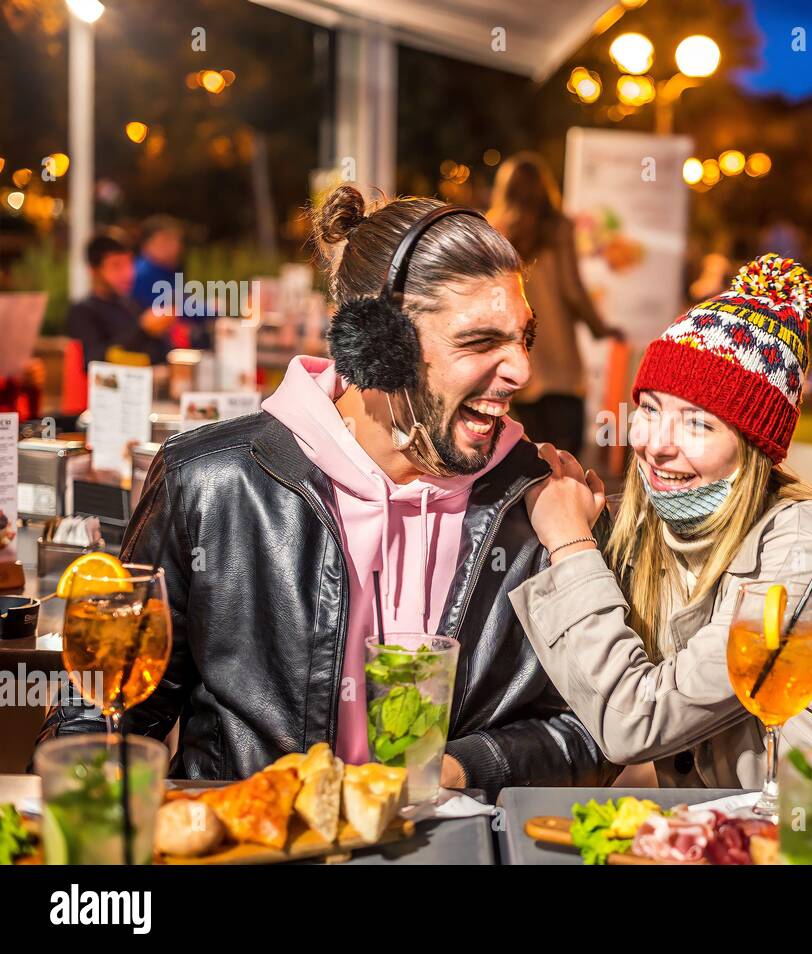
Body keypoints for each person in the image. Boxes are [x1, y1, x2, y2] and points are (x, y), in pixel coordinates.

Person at [40, 186, 617, 798]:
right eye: (479, 342)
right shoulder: (210, 483)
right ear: (375, 345)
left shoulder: (547, 503)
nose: (522, 372)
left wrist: (458, 768)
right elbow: (102, 714)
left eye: (523, 338)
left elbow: (599, 732)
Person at [508, 254, 812, 793]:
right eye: (649, 409)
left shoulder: (802, 546)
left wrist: (571, 544)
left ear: (753, 448)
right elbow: (588, 705)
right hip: (752, 828)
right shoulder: (652, 530)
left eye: (697, 423)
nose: (655, 444)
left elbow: (633, 724)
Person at [487, 152, 622, 459]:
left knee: (525, 454)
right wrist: (600, 328)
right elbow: (572, 290)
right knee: (564, 452)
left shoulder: (492, 229)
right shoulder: (560, 228)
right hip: (558, 356)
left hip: (514, 354)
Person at [65, 231, 174, 368]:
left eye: (129, 264)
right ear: (93, 270)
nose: (127, 273)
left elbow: (159, 356)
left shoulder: (130, 305)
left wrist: (160, 331)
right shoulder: (83, 312)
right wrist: (143, 329)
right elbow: (94, 361)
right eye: (116, 265)